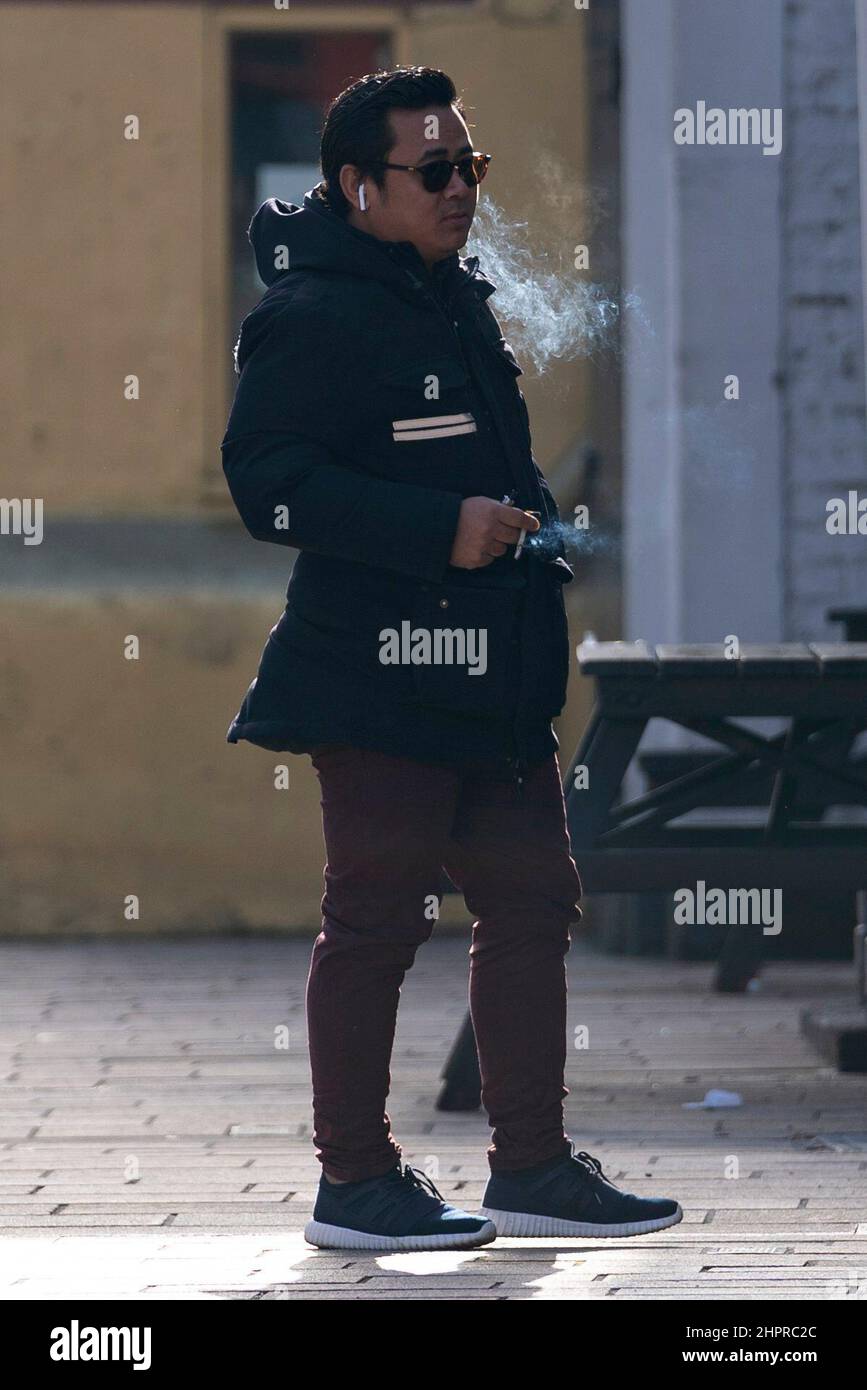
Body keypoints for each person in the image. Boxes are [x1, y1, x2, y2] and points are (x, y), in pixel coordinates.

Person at [221, 65, 682, 1252]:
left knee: (532, 900)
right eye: (434, 170)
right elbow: (269, 487)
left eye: (469, 166)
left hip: (494, 677)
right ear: (356, 187)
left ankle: (531, 1166)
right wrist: (439, 530)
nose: (461, 189)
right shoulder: (312, 315)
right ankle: (356, 1184)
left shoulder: (452, 296)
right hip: (375, 674)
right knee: (377, 917)